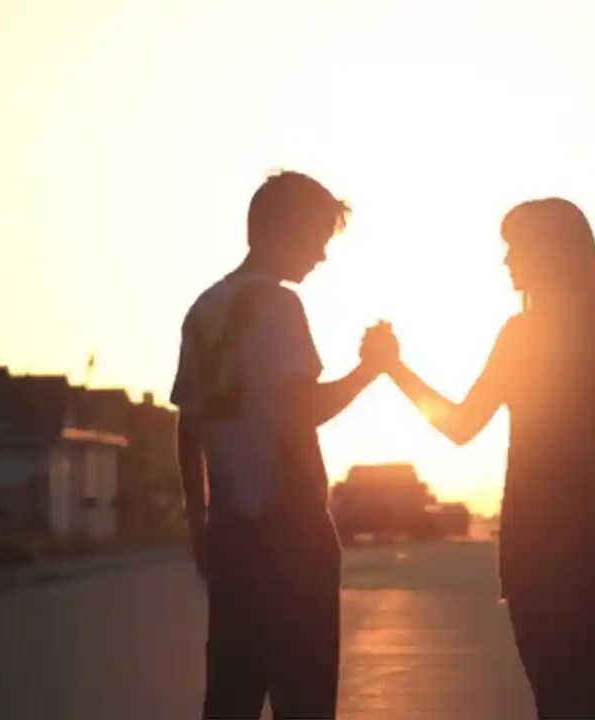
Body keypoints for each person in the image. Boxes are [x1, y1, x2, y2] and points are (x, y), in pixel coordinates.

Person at [361, 197, 595, 719]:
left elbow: (460, 427)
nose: (506, 261)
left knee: (557, 700)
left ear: (548, 253)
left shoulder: (521, 337)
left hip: (539, 539)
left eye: (515, 248)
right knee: (591, 697)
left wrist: (394, 369)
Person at [171, 171, 379, 719]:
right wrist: (371, 369)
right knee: (304, 699)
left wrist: (200, 522)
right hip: (292, 531)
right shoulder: (277, 307)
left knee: (231, 697)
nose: (321, 257)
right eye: (317, 239)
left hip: (233, 534)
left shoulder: (204, 310)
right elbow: (305, 409)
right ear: (284, 231)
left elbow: (187, 425)